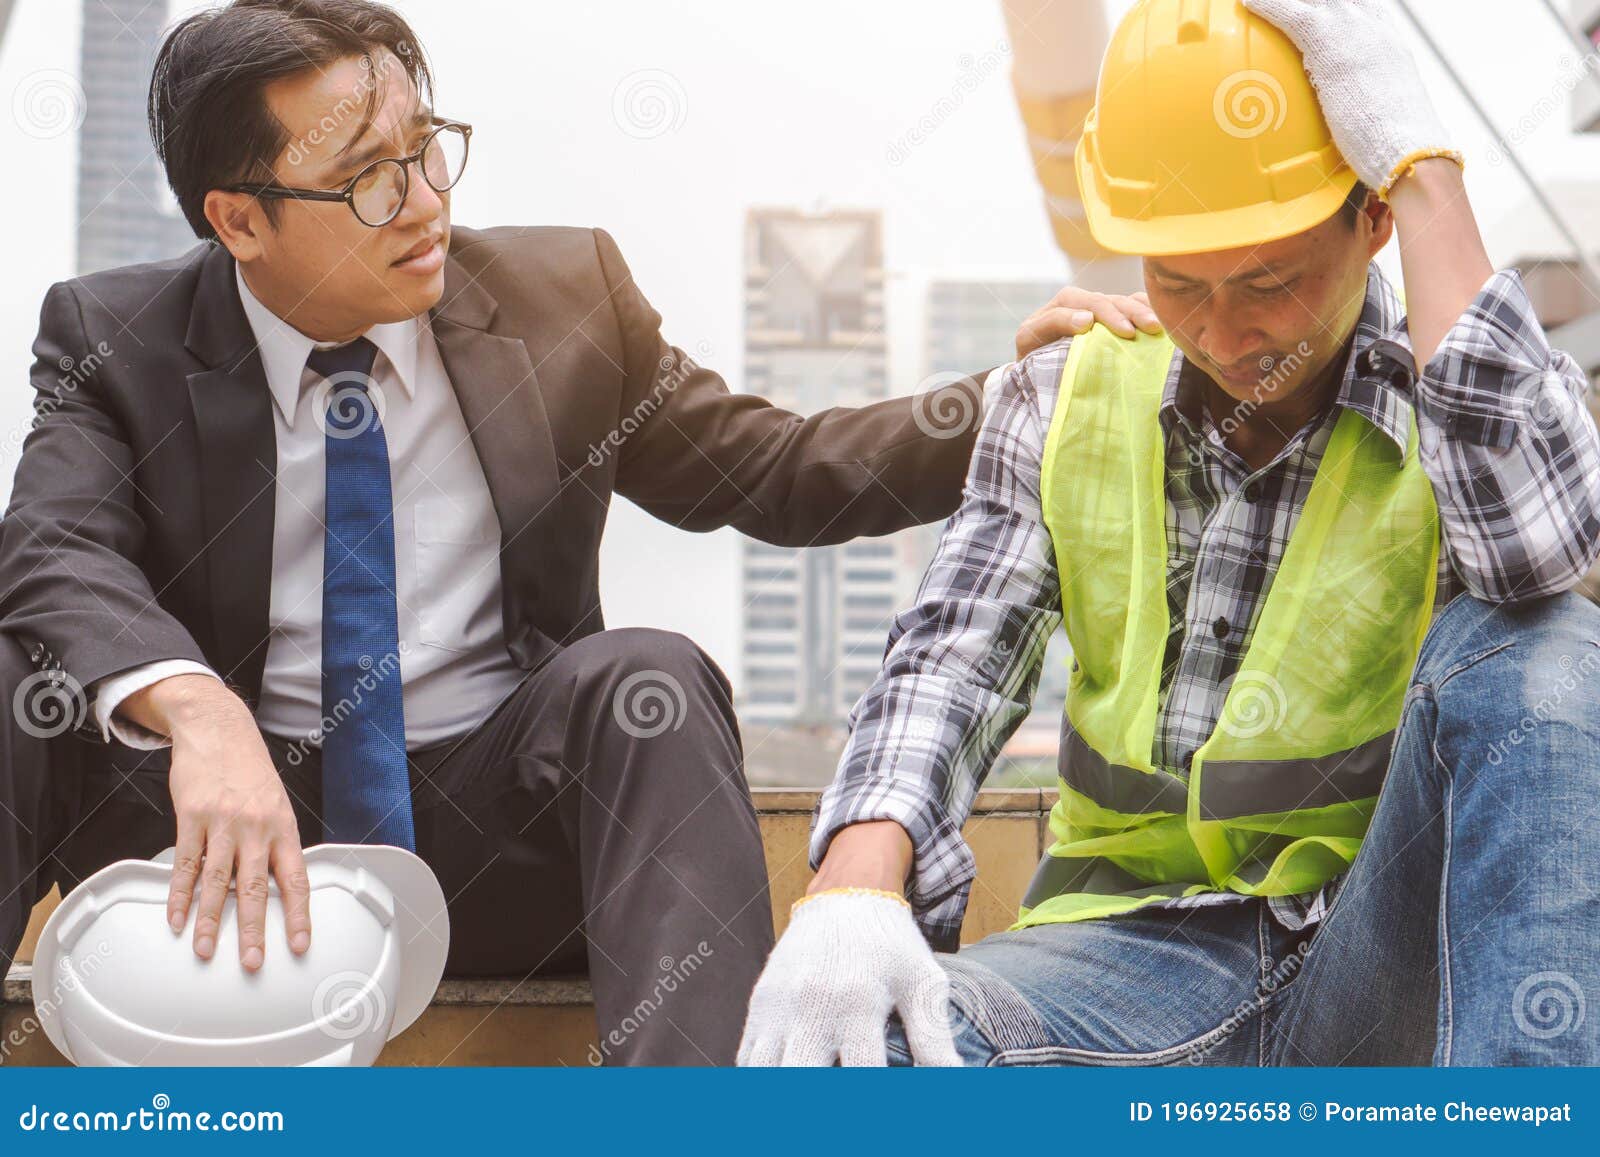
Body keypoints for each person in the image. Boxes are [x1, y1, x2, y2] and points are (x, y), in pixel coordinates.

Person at [0, 0, 1118, 1065]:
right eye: (367, 183)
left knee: (650, 676)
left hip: (501, 838)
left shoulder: (560, 298)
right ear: (239, 218)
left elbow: (777, 471)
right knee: (18, 684)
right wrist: (198, 710)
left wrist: (1010, 400)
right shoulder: (118, 337)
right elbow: (51, 549)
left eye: (427, 147)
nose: (426, 200)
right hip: (232, 861)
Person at [739, 0, 1600, 1066]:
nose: (1222, 333)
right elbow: (948, 660)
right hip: (1121, 969)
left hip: (1384, 973)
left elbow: (1535, 554)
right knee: (872, 1053)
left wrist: (1423, 170)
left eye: (1269, 283)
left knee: (1544, 645)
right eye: (1177, 281)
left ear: (1371, 218)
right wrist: (852, 888)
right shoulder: (1064, 396)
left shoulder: (1453, 401)